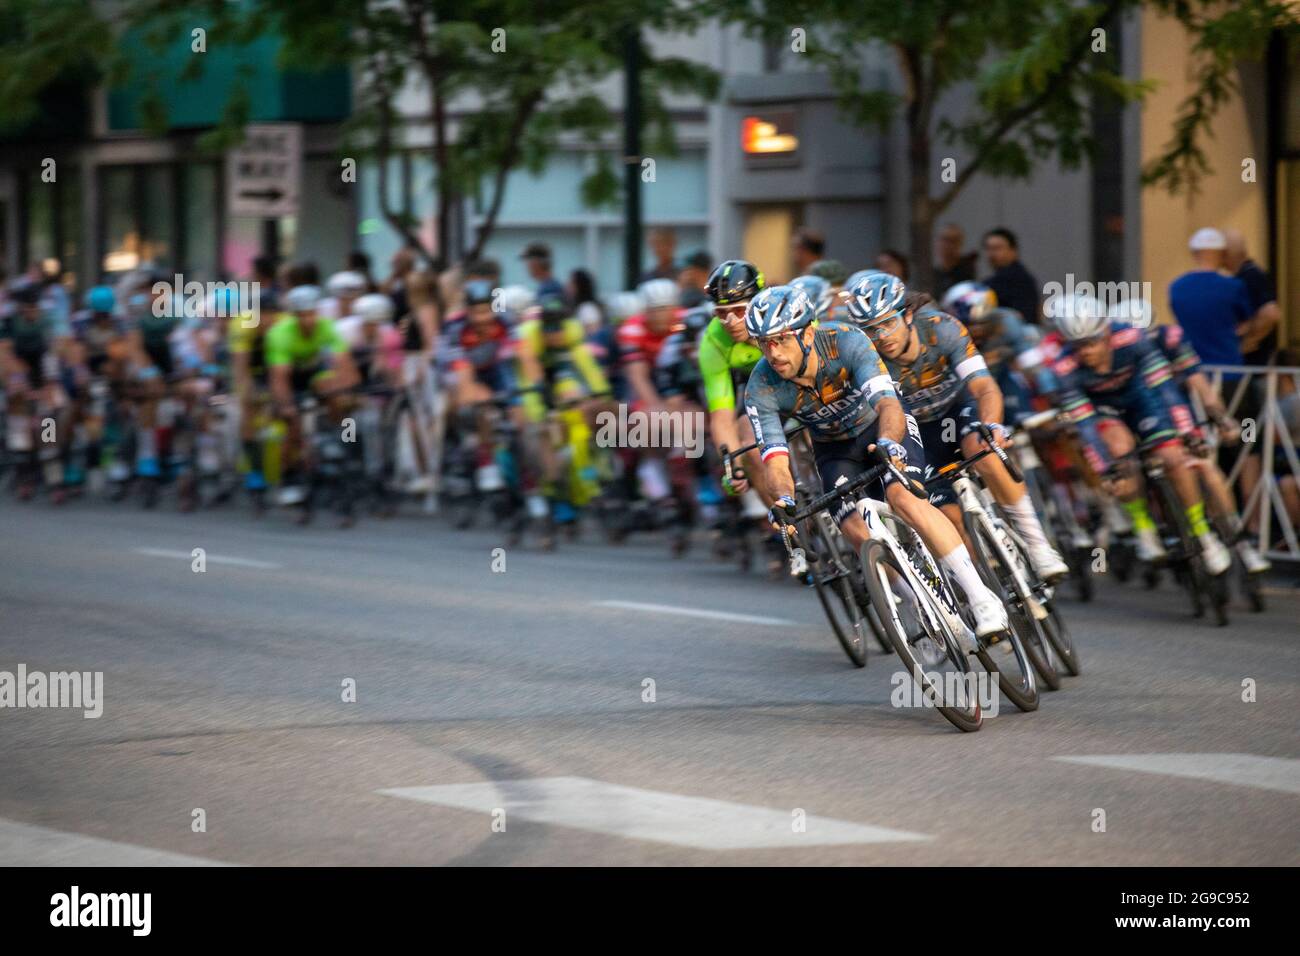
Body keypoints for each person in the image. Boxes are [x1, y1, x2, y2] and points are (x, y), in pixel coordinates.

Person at [743, 284, 1009, 638]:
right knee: (852, 526)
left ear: (808, 332)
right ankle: (917, 605)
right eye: (764, 342)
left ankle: (982, 599)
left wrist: (888, 443)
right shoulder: (760, 387)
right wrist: (784, 500)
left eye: (781, 339)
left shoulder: (846, 341)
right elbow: (775, 462)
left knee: (903, 498)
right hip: (834, 449)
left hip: (883, 427)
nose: (773, 352)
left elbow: (888, 404)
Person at [844, 272, 1068, 583]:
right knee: (949, 519)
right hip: (917, 434)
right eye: (870, 330)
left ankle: (1038, 546)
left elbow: (984, 387)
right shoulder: (864, 357)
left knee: (985, 450)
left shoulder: (942, 328)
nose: (881, 336)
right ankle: (990, 587)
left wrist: (992, 424)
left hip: (956, 411)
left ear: (907, 314)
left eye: (888, 323)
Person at [1047, 296, 1233, 575]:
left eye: (1092, 342)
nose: (1085, 351)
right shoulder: (1064, 368)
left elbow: (1167, 390)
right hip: (1105, 410)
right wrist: (1106, 468)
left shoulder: (1132, 338)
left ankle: (1203, 532)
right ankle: (1143, 528)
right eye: (1078, 346)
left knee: (1174, 458)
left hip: (1142, 398)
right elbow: (1086, 426)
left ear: (1107, 333)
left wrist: (1188, 431)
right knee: (1120, 457)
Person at [1222, 229, 1282, 366]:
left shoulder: (1251, 277)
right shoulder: (1246, 276)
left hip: (1255, 364)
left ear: (1226, 253)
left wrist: (1248, 342)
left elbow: (1271, 313)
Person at [981, 227, 1041, 324]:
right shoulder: (995, 280)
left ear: (1013, 251)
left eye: (997, 248)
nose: (991, 254)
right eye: (988, 248)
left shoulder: (1018, 279)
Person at [934, 223, 977, 298]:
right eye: (944, 240)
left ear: (960, 244)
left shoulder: (966, 273)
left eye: (953, 241)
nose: (947, 245)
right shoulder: (932, 274)